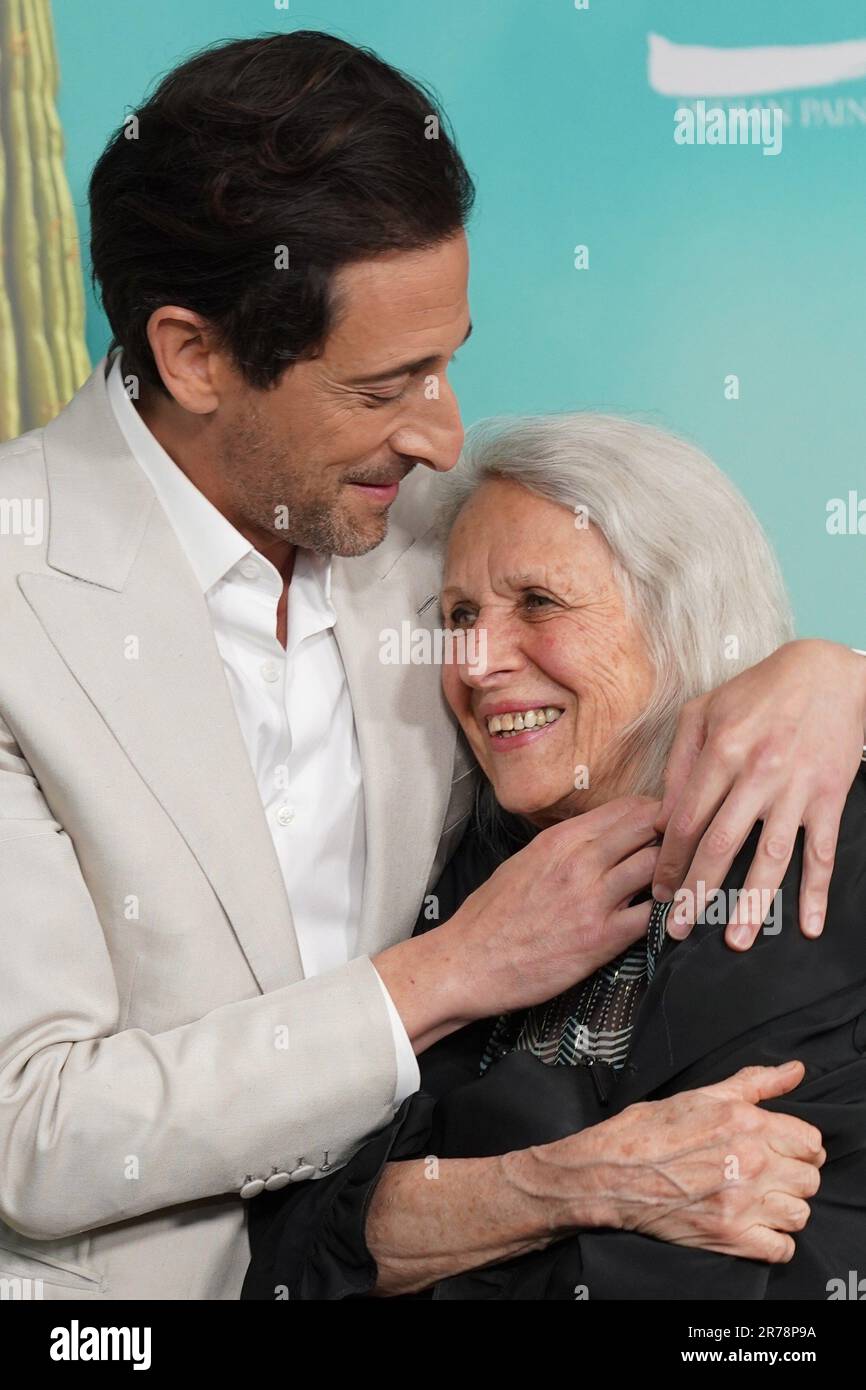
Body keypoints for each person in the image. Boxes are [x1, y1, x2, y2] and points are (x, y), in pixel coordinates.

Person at [0, 32, 863, 1302]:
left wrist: (831, 668)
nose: (442, 429)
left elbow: (655, 616)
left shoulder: (423, 524)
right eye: (385, 382)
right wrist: (454, 969)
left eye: (448, 356)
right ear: (191, 356)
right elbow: (35, 1127)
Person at [243, 414, 866, 1301]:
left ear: (681, 614)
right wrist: (583, 1181)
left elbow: (786, 1281)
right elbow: (299, 1253)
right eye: (460, 616)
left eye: (538, 603)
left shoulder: (830, 856)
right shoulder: (452, 880)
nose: (476, 661)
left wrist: (474, 1199)